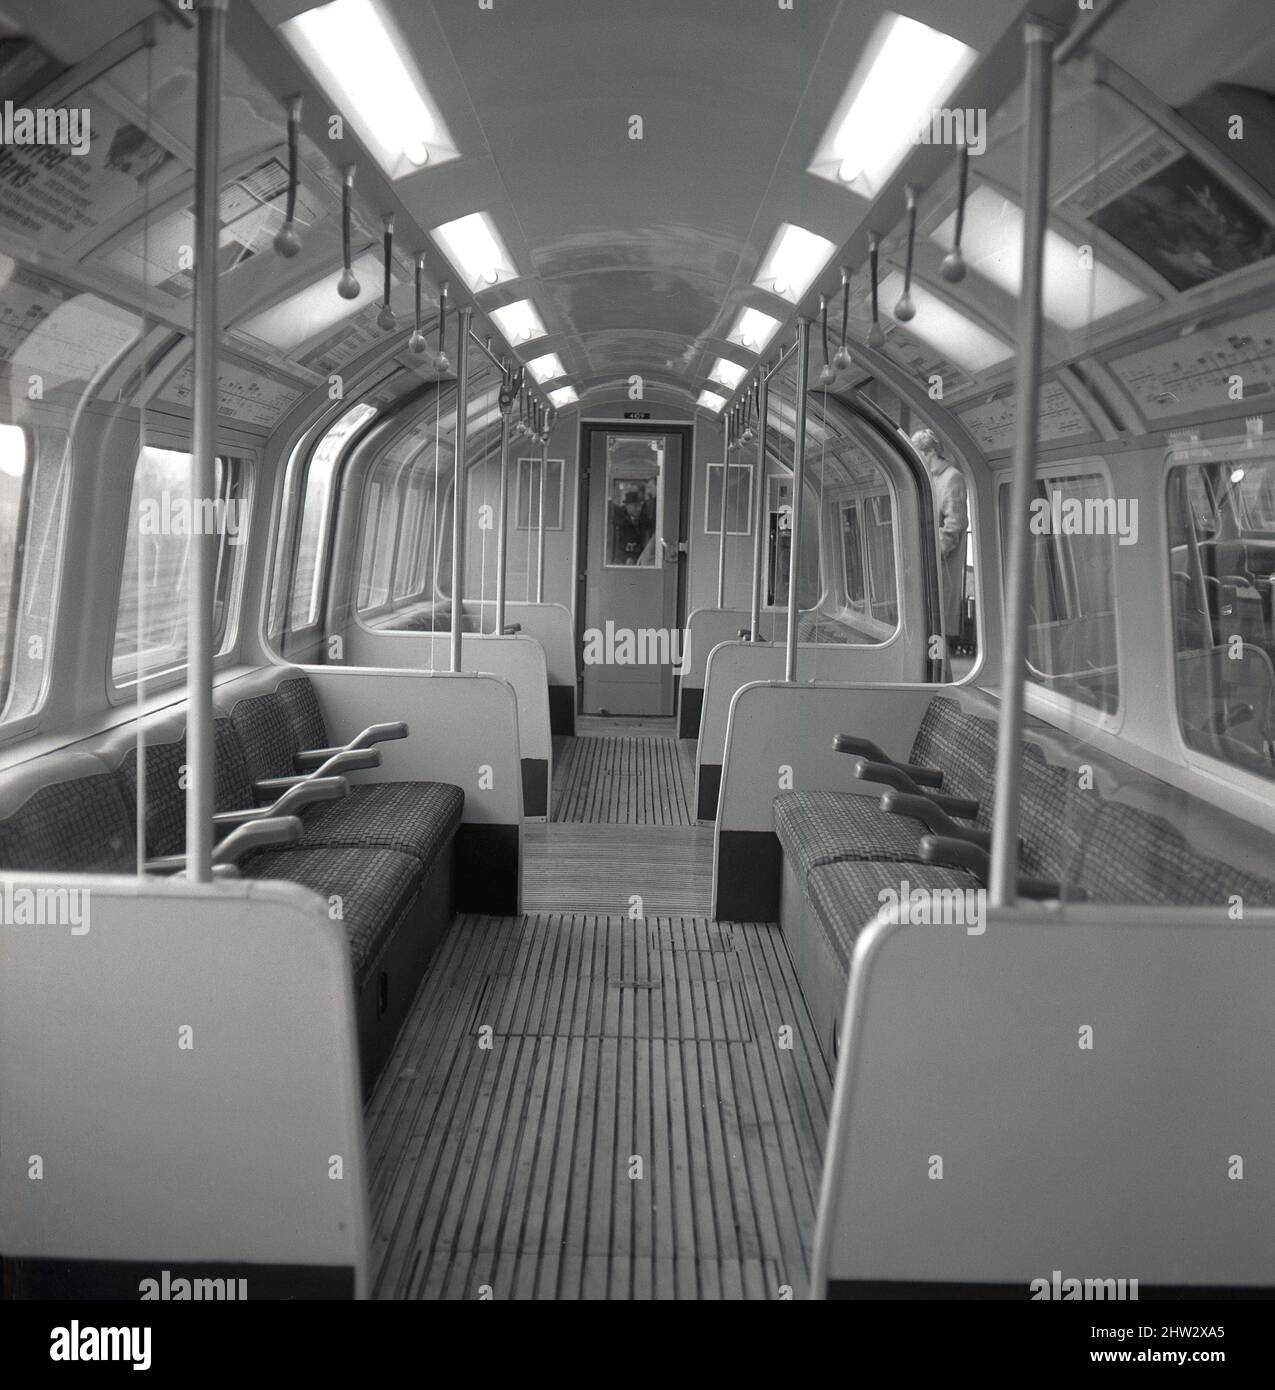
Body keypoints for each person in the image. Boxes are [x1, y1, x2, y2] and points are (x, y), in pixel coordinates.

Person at [911, 427, 968, 651]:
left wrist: (931, 557)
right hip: (927, 561)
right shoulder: (932, 479)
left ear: (930, 453)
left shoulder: (952, 478)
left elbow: (955, 524)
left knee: (937, 622)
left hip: (940, 563)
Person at [609, 486, 655, 565]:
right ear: (627, 506)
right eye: (635, 506)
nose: (638, 509)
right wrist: (625, 558)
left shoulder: (644, 521)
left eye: (640, 505)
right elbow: (616, 546)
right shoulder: (619, 522)